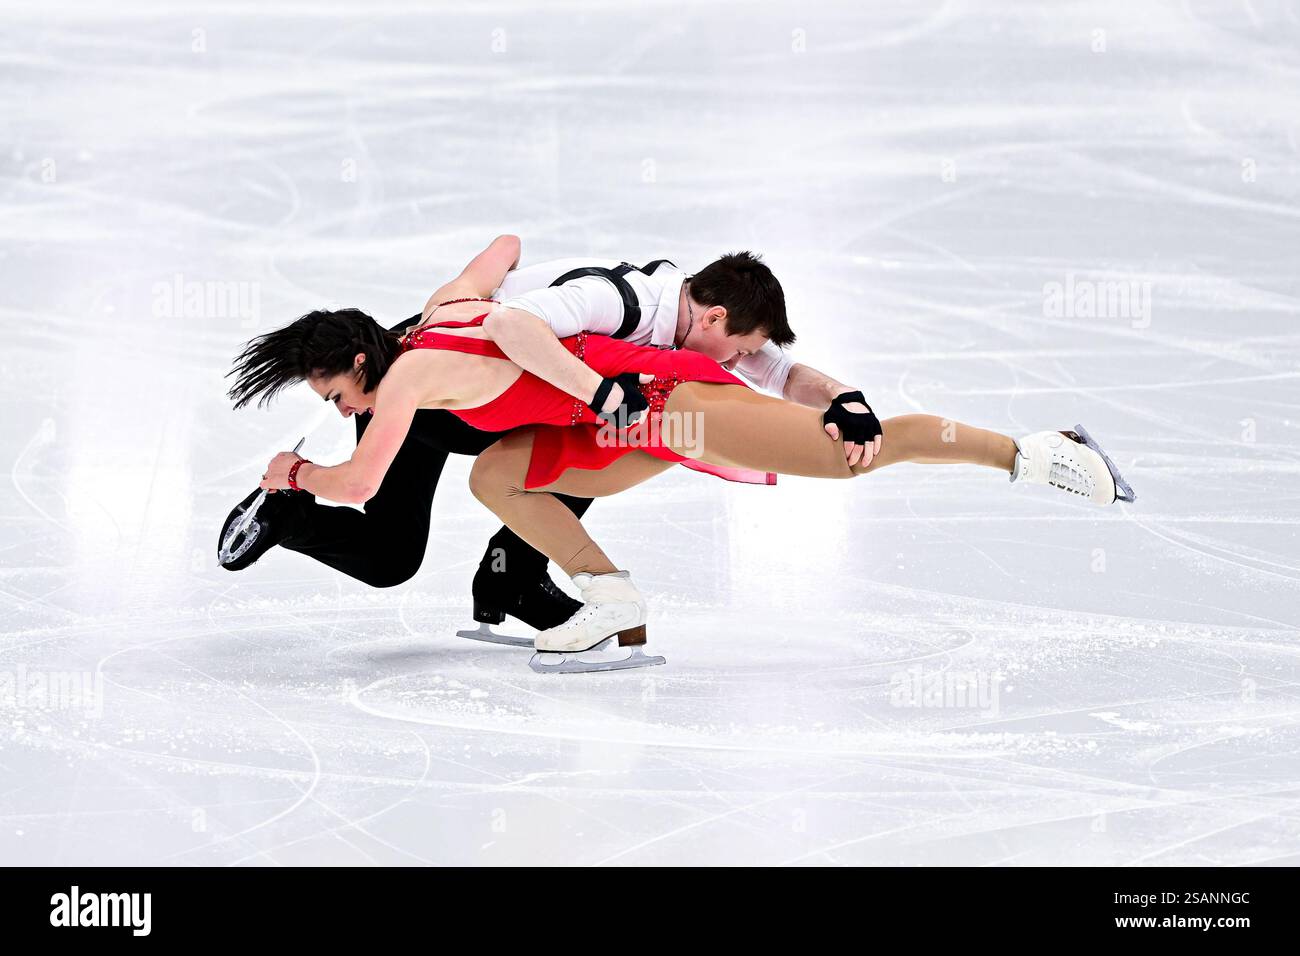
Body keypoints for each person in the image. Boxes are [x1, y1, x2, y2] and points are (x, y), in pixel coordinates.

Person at [227, 293, 1136, 673]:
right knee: (499, 477)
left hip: (666, 400)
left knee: (846, 454)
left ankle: (1034, 450)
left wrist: (295, 472)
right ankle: (609, 595)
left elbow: (359, 482)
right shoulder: (440, 313)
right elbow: (498, 263)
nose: (343, 405)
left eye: (339, 391)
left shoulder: (420, 372)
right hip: (606, 418)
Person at [219, 238, 879, 642]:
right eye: (739, 347)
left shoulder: (690, 319)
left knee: (587, 445)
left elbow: (779, 371)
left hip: (480, 392)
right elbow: (511, 327)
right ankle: (285, 510)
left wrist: (845, 401)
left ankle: (511, 576)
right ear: (711, 317)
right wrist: (597, 392)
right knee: (391, 556)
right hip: (425, 397)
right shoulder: (619, 302)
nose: (740, 362)